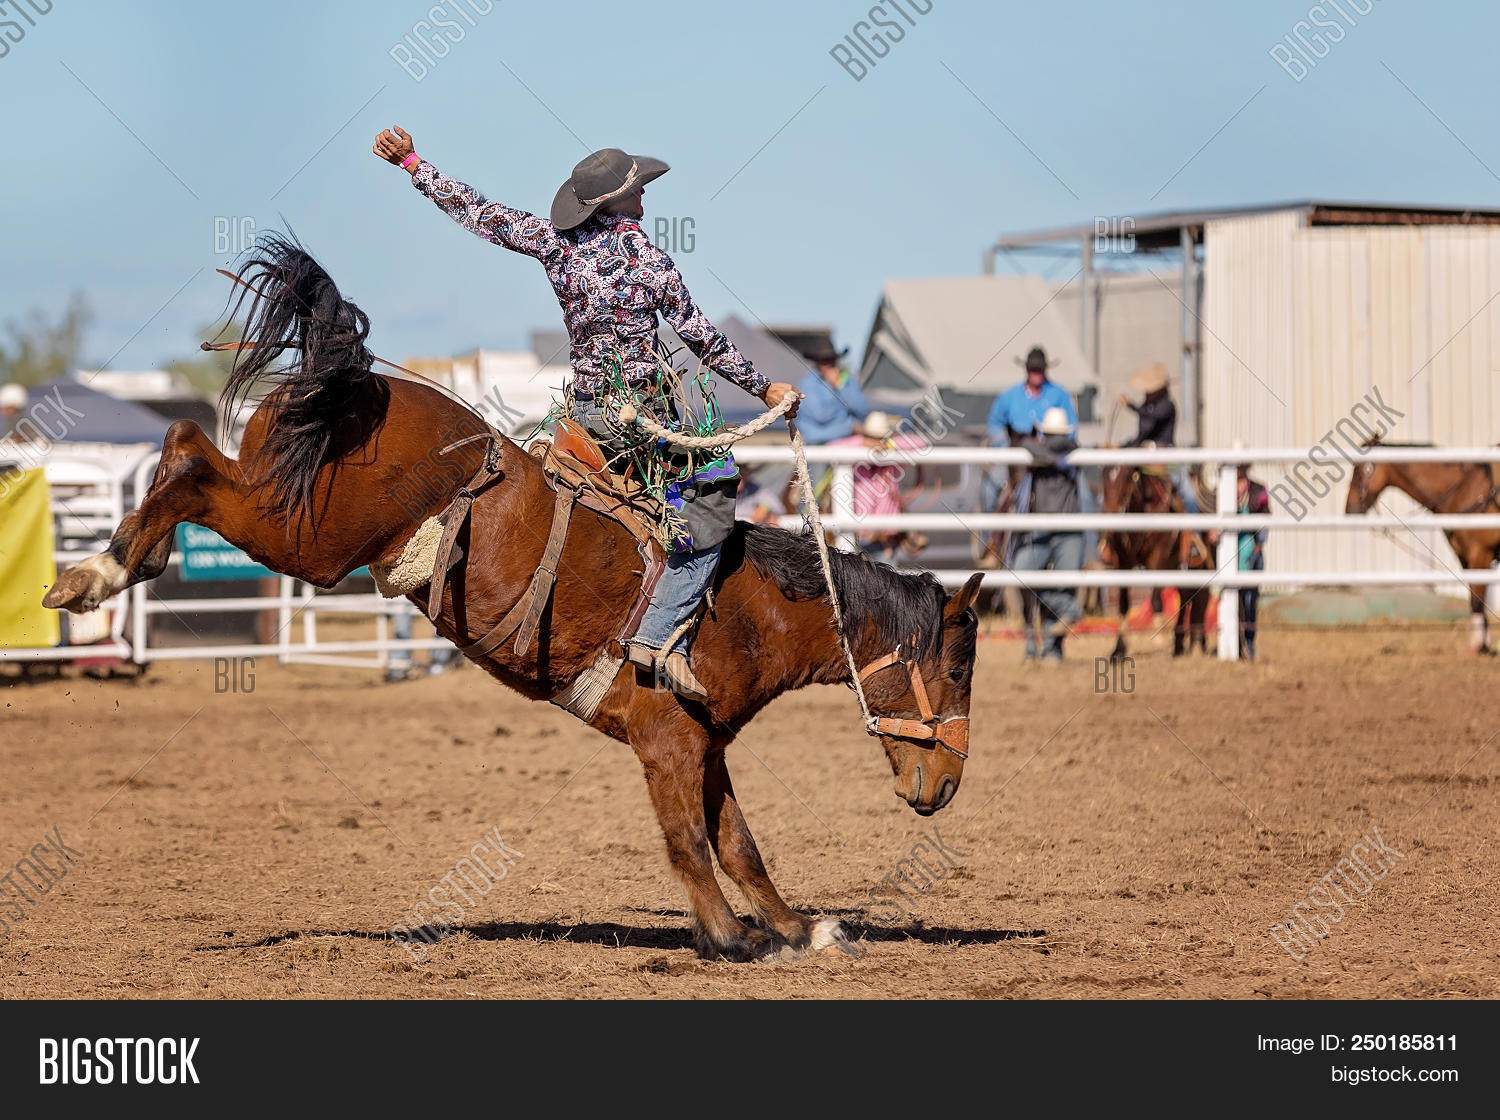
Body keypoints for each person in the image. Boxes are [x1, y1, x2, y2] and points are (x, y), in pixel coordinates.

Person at [374, 127, 800, 702]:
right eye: (639, 193)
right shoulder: (651, 262)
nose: (646, 201)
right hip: (643, 419)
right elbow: (703, 339)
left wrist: (415, 165)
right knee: (715, 489)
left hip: (587, 413)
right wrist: (764, 386)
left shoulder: (555, 243)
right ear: (620, 202)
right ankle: (657, 637)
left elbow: (478, 213)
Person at [1013, 407, 1082, 663]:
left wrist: (1044, 451)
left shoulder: (1069, 449)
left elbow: (1033, 445)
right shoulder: (1051, 453)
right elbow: (1031, 445)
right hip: (1042, 526)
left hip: (1067, 530)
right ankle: (1069, 611)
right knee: (1023, 574)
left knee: (1062, 584)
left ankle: (1053, 649)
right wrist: (1052, 458)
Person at [982, 346, 1077, 516]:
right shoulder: (1010, 396)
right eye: (1032, 369)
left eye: (1039, 369)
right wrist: (1004, 446)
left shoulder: (1060, 394)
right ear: (1026, 369)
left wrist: (1051, 448)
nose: (1036, 372)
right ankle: (990, 539)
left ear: (1045, 370)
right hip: (1016, 456)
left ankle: (1091, 537)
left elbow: (1071, 429)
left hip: (1049, 458)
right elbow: (994, 423)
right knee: (989, 491)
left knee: (1083, 493)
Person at [823, 412, 929, 563]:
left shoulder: (892, 456)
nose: (876, 442)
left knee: (885, 578)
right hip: (861, 535)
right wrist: (862, 442)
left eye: (879, 438)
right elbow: (829, 449)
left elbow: (921, 442)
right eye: (872, 438)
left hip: (885, 537)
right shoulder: (857, 455)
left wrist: (890, 445)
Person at [795, 339, 868, 477]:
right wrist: (849, 424)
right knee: (815, 491)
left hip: (846, 443)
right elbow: (821, 415)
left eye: (831, 360)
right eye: (824, 361)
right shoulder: (807, 384)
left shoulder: (847, 381)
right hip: (819, 444)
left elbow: (862, 410)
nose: (829, 365)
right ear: (817, 363)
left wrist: (840, 387)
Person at [1236, 463, 1269, 661]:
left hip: (1252, 557)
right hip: (1232, 558)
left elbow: (1265, 521)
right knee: (1234, 603)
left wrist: (1257, 547)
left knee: (1249, 603)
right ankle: (1238, 645)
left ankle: (1248, 645)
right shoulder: (1223, 494)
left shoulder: (1258, 491)